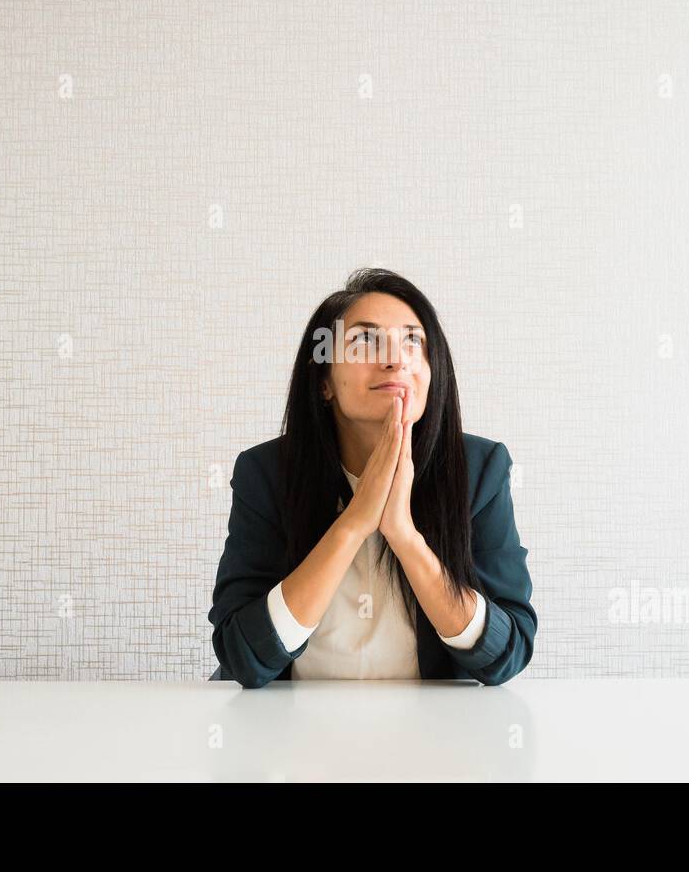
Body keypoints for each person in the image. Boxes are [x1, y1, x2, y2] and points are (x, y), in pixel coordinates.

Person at [208, 268, 536, 687]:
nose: (395, 358)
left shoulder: (479, 469)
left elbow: (507, 653)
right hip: (289, 733)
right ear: (324, 381)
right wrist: (353, 525)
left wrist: (404, 536)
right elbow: (242, 657)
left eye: (412, 340)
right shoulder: (266, 473)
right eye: (364, 341)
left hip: (435, 733)